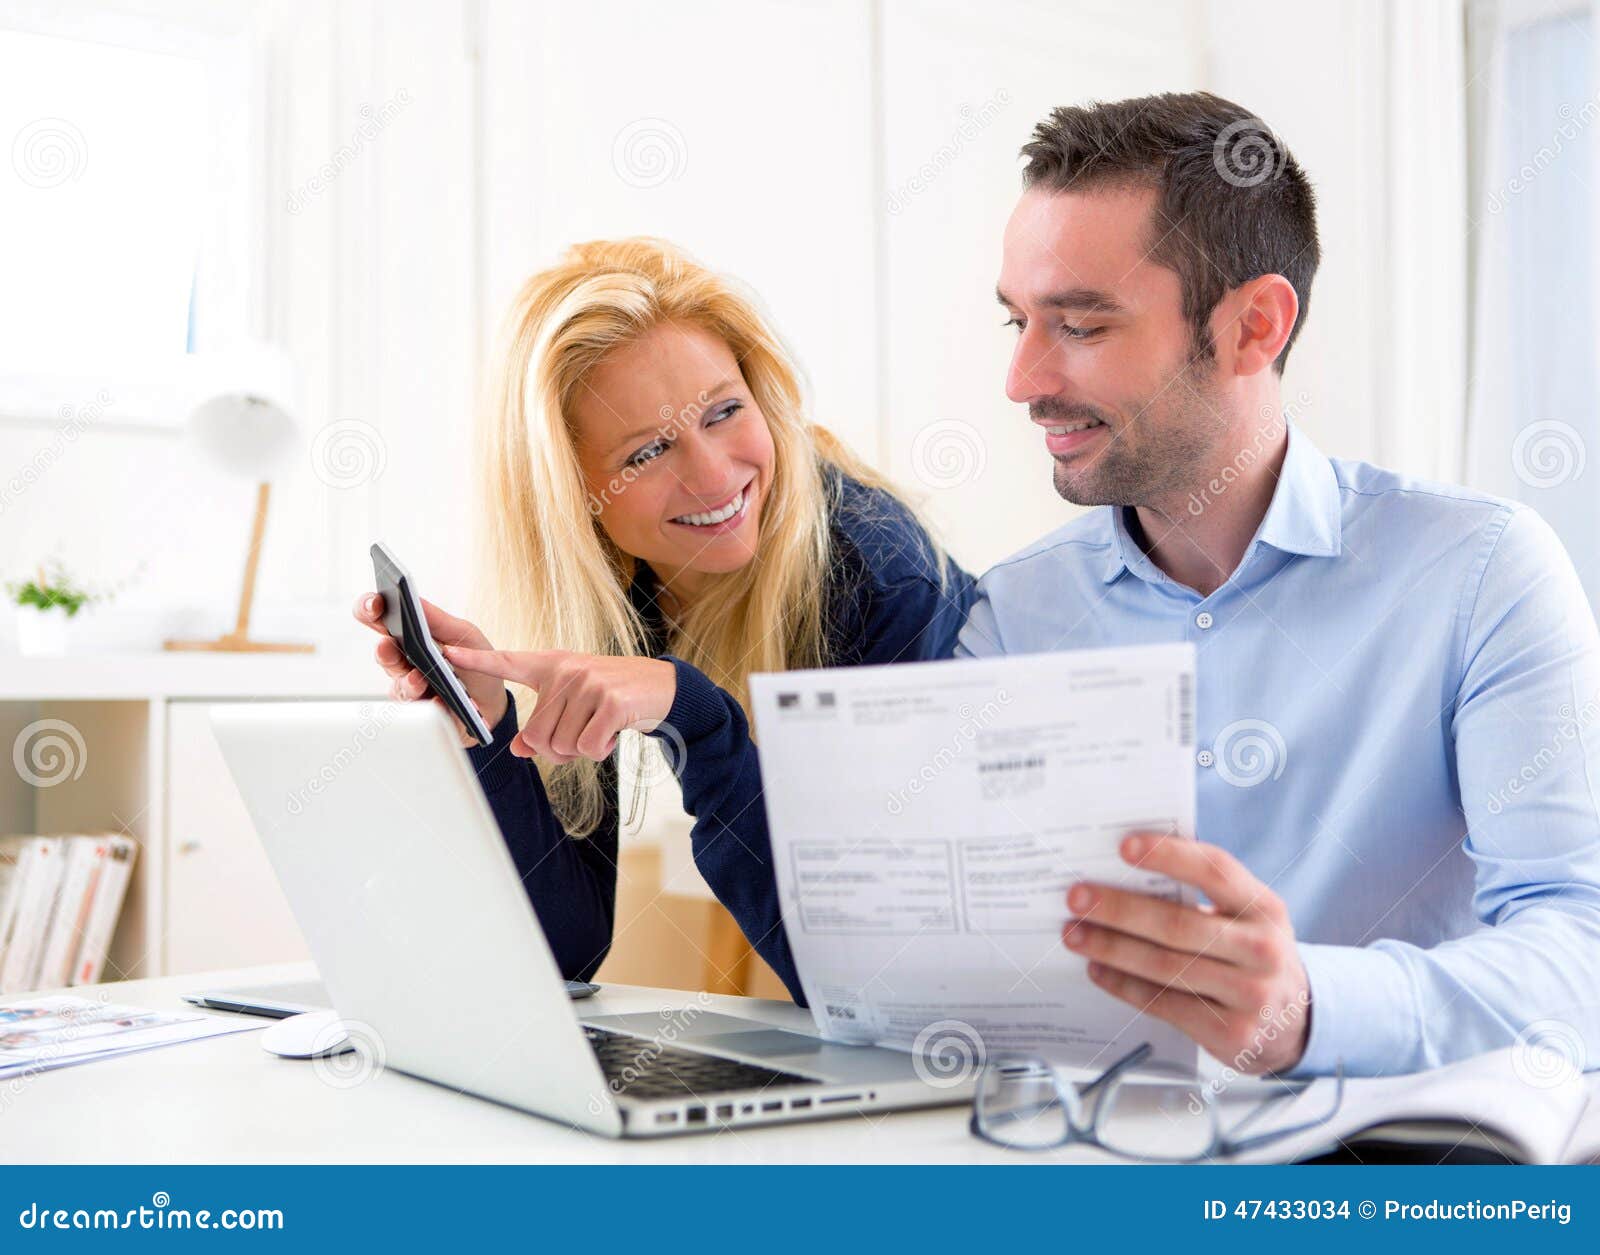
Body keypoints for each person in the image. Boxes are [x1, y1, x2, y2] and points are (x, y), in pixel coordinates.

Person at [961, 92, 1600, 1078]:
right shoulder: (1012, 617)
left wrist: (1309, 1005)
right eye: (1017, 322)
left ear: (1252, 325)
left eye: (1080, 325)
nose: (1021, 379)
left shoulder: (1481, 574)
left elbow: (1579, 952)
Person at [355, 238, 975, 993]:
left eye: (724, 411)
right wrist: (489, 727)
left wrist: (693, 714)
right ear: (574, 498)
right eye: (647, 452)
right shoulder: (612, 582)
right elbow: (566, 951)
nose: (716, 476)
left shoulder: (879, 579)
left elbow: (868, 977)